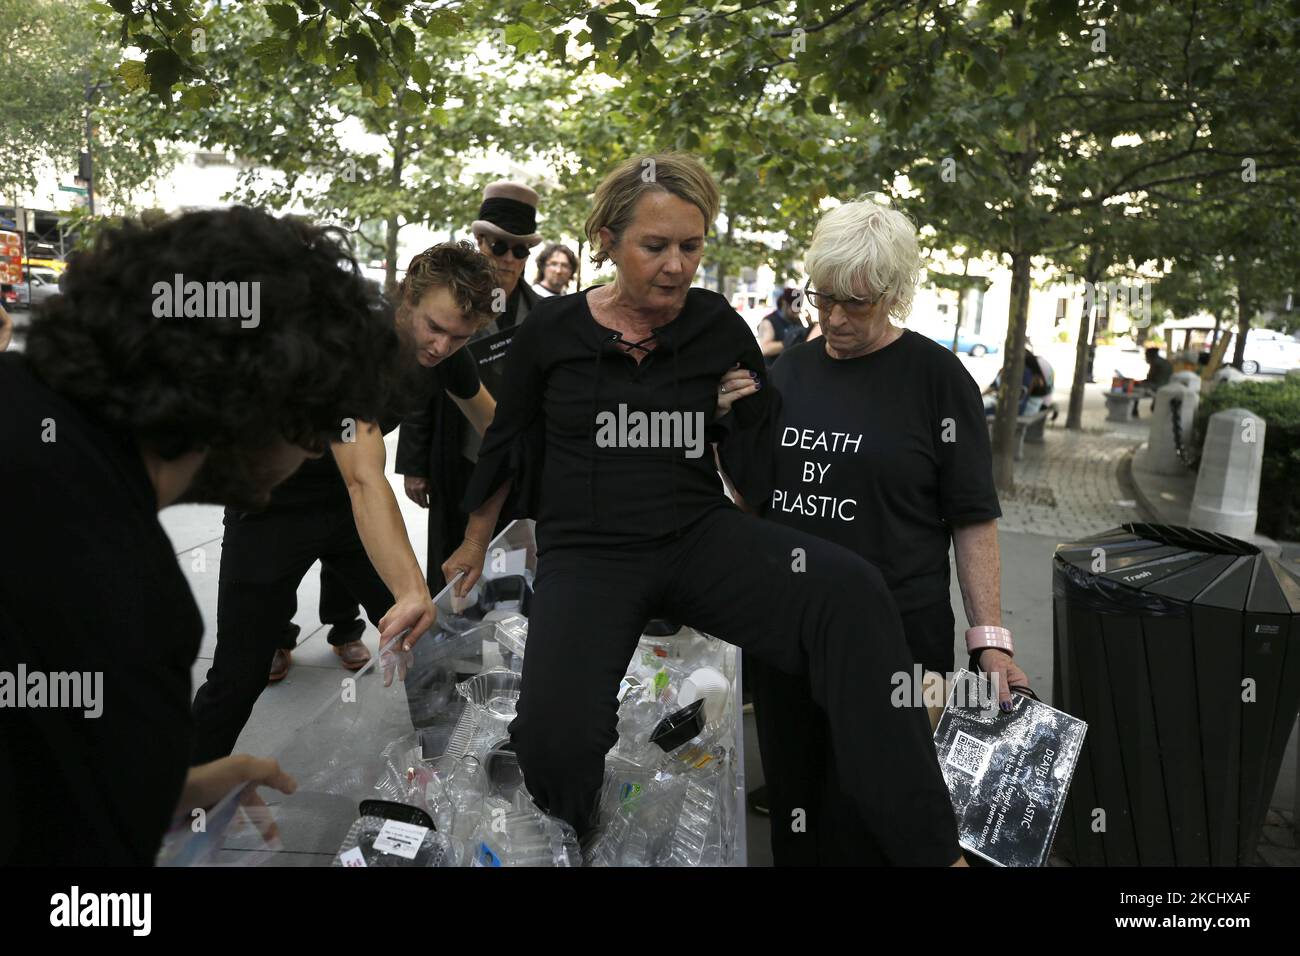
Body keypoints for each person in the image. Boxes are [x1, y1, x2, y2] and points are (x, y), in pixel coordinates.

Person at [443, 153, 966, 866]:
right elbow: (507, 442)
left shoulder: (716, 324)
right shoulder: (553, 332)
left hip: (695, 534)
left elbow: (754, 473)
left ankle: (927, 847)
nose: (676, 265)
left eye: (691, 247)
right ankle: (581, 839)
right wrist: (473, 542)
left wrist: (746, 412)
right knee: (555, 738)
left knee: (849, 593)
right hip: (590, 554)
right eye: (655, 246)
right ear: (606, 238)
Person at [0, 207, 400, 865]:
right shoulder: (126, 595)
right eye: (315, 431)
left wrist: (162, 788)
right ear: (257, 402)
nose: (312, 457)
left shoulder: (30, 419)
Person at [747, 196, 1030, 866]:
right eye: (825, 298)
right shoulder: (785, 371)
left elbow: (972, 517)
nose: (837, 318)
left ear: (895, 295)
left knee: (876, 822)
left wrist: (989, 641)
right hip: (789, 639)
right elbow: (754, 503)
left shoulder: (936, 381)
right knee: (796, 808)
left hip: (900, 641)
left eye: (859, 303)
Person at [190, 241, 497, 763]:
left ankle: (450, 788)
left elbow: (498, 430)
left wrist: (486, 528)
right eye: (435, 328)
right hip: (273, 507)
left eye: (459, 337)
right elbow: (364, 477)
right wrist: (409, 589)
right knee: (238, 676)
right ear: (406, 299)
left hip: (346, 509)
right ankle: (178, 799)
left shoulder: (445, 353)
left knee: (425, 646)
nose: (443, 347)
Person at [395, 182, 542, 577]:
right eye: (498, 246)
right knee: (446, 563)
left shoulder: (543, 315)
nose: (509, 258)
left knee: (510, 571)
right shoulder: (441, 311)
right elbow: (418, 391)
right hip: (455, 456)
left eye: (520, 249)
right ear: (479, 240)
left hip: (508, 465)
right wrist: (414, 462)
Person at [756, 288, 801, 367]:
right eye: (794, 307)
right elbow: (766, 349)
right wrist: (788, 343)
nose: (797, 311)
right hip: (774, 371)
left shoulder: (795, 320)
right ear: (785, 304)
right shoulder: (768, 321)